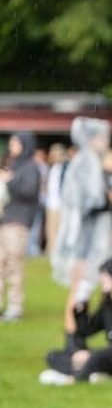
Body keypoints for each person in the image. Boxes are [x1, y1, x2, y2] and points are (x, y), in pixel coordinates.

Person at [38, 257, 112, 385]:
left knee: (96, 359)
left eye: (106, 276)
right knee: (53, 355)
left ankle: (73, 379)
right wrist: (82, 309)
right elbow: (87, 330)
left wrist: (92, 355)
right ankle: (92, 373)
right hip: (109, 357)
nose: (102, 280)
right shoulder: (109, 304)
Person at [52, 118, 112, 352]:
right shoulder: (86, 162)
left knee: (85, 288)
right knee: (80, 287)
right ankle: (73, 336)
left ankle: (78, 334)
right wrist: (109, 200)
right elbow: (88, 200)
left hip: (88, 237)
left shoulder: (87, 161)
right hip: (84, 239)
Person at [1, 132, 42, 322]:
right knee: (1, 265)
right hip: (5, 220)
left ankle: (15, 307)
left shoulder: (31, 167)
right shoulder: (13, 165)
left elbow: (29, 191)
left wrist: (10, 182)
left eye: (15, 143)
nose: (12, 147)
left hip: (18, 222)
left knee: (14, 264)